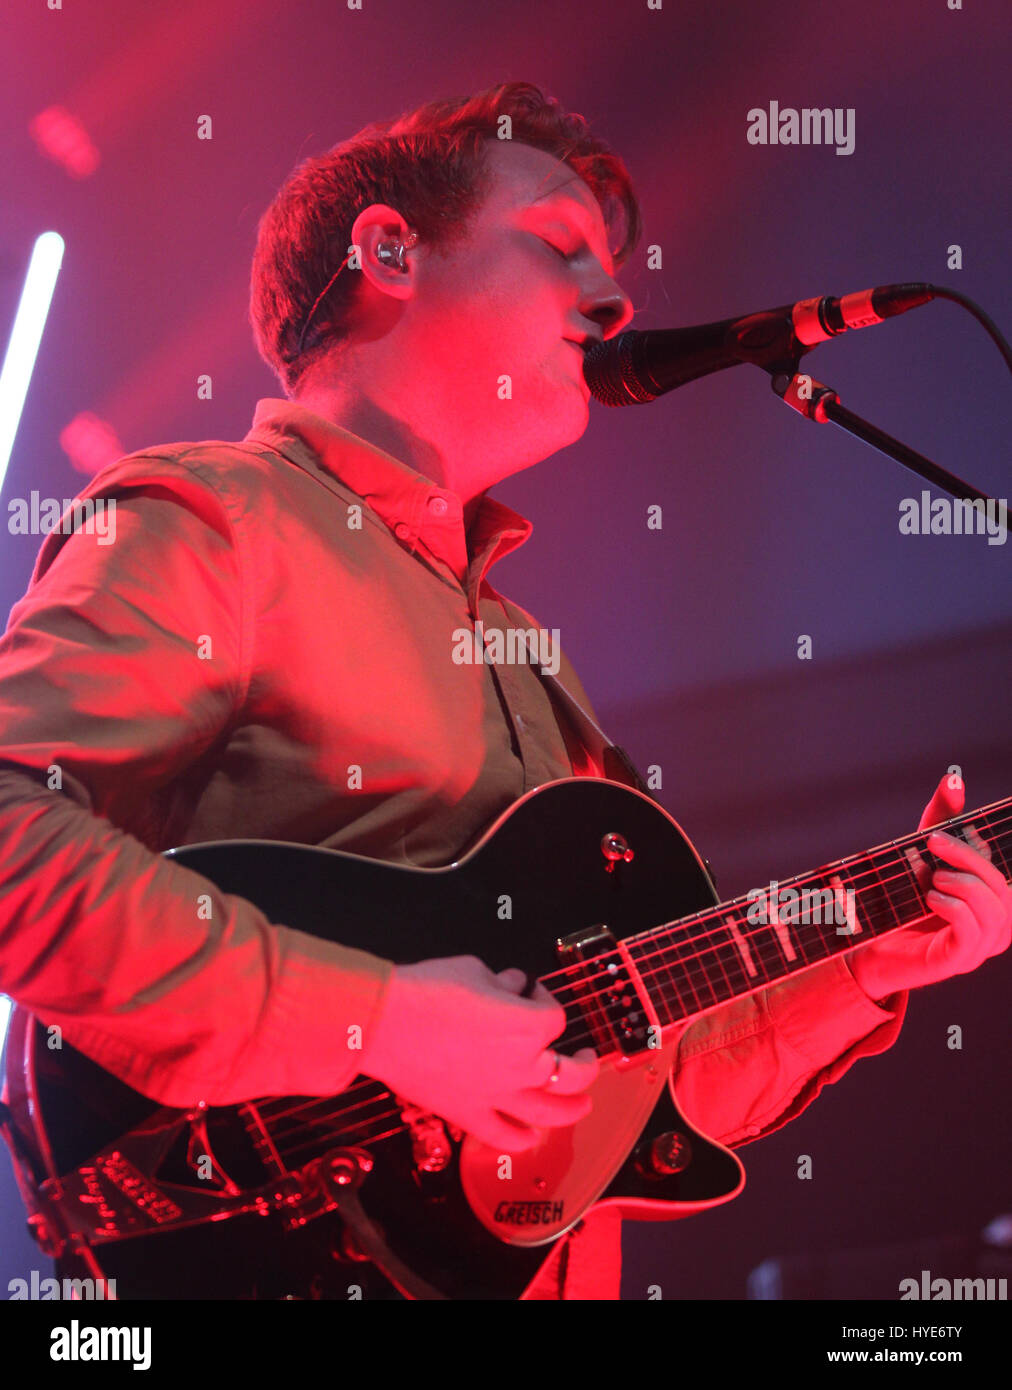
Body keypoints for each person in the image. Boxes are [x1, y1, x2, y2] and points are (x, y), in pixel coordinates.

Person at [0, 81, 1008, 1301]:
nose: (619, 298)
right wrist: (381, 1020)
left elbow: (630, 1087)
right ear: (389, 253)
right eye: (561, 247)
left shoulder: (528, 649)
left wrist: (866, 958)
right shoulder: (216, 517)